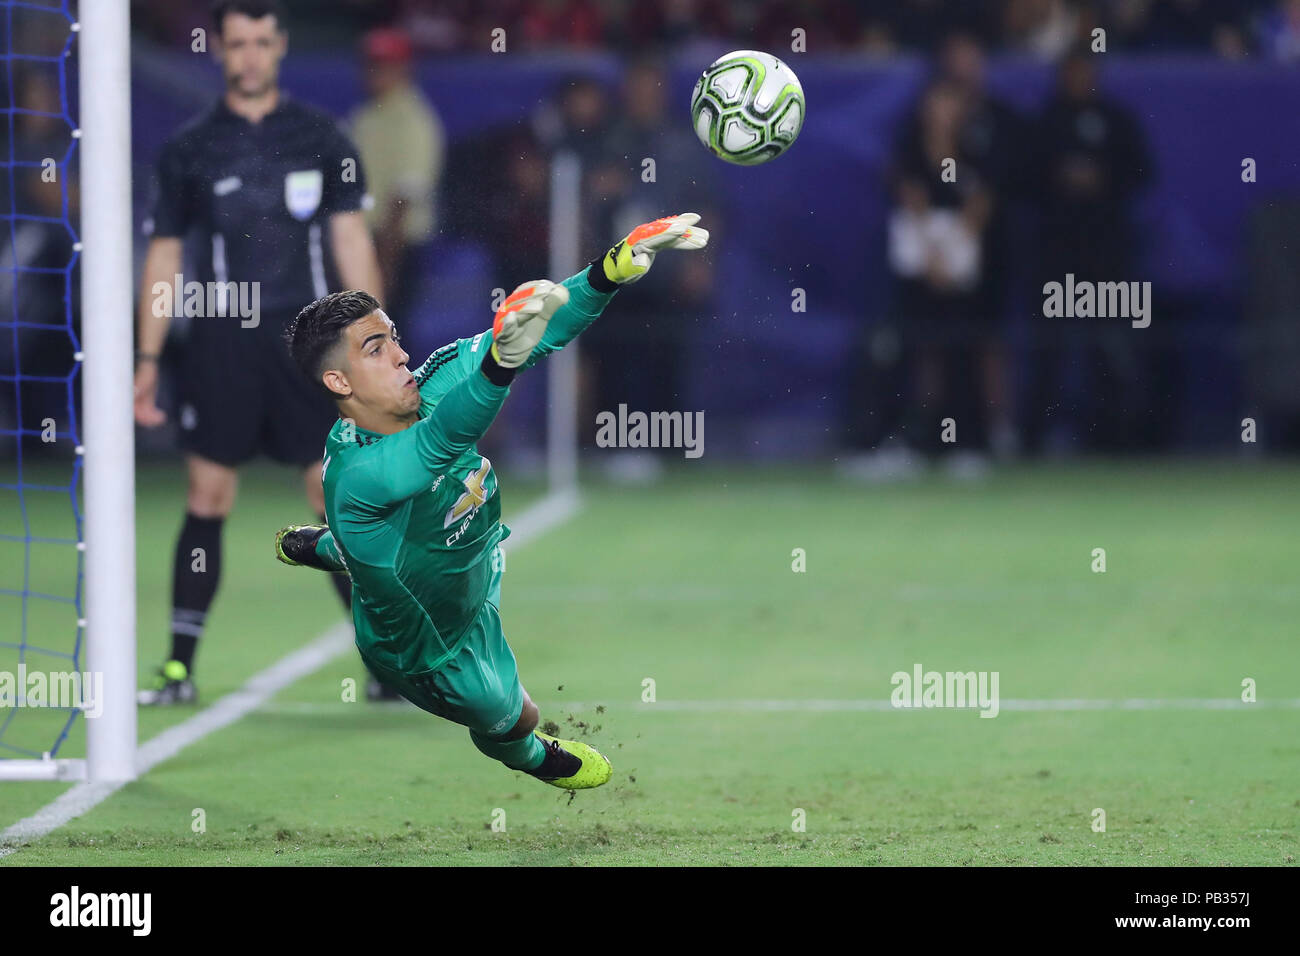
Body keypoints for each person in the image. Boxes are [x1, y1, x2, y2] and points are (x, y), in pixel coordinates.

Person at [273, 214, 708, 787]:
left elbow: (544, 327)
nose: (402, 355)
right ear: (339, 383)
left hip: (471, 559)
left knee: (383, 541)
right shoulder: (356, 475)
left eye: (395, 338)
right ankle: (532, 758)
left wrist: (613, 266)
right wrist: (500, 364)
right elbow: (438, 442)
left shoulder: (433, 380)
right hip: (432, 648)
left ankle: (328, 547)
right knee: (515, 718)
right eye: (377, 349)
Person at [133, 0, 383, 704]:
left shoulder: (321, 138)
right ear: (217, 49)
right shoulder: (191, 149)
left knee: (330, 496)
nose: (248, 55)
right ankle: (179, 667)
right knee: (208, 493)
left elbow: (351, 243)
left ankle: (383, 662)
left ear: (280, 47)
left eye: (261, 42)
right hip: (219, 343)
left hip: (307, 343)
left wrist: (375, 341)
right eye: (236, 43)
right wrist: (148, 361)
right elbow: (164, 258)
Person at [349, 26, 445, 325]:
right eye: (371, 63)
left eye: (384, 64)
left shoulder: (413, 121)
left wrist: (384, 269)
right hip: (365, 240)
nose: (375, 71)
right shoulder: (368, 115)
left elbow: (404, 198)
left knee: (388, 336)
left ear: (403, 68)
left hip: (395, 245)